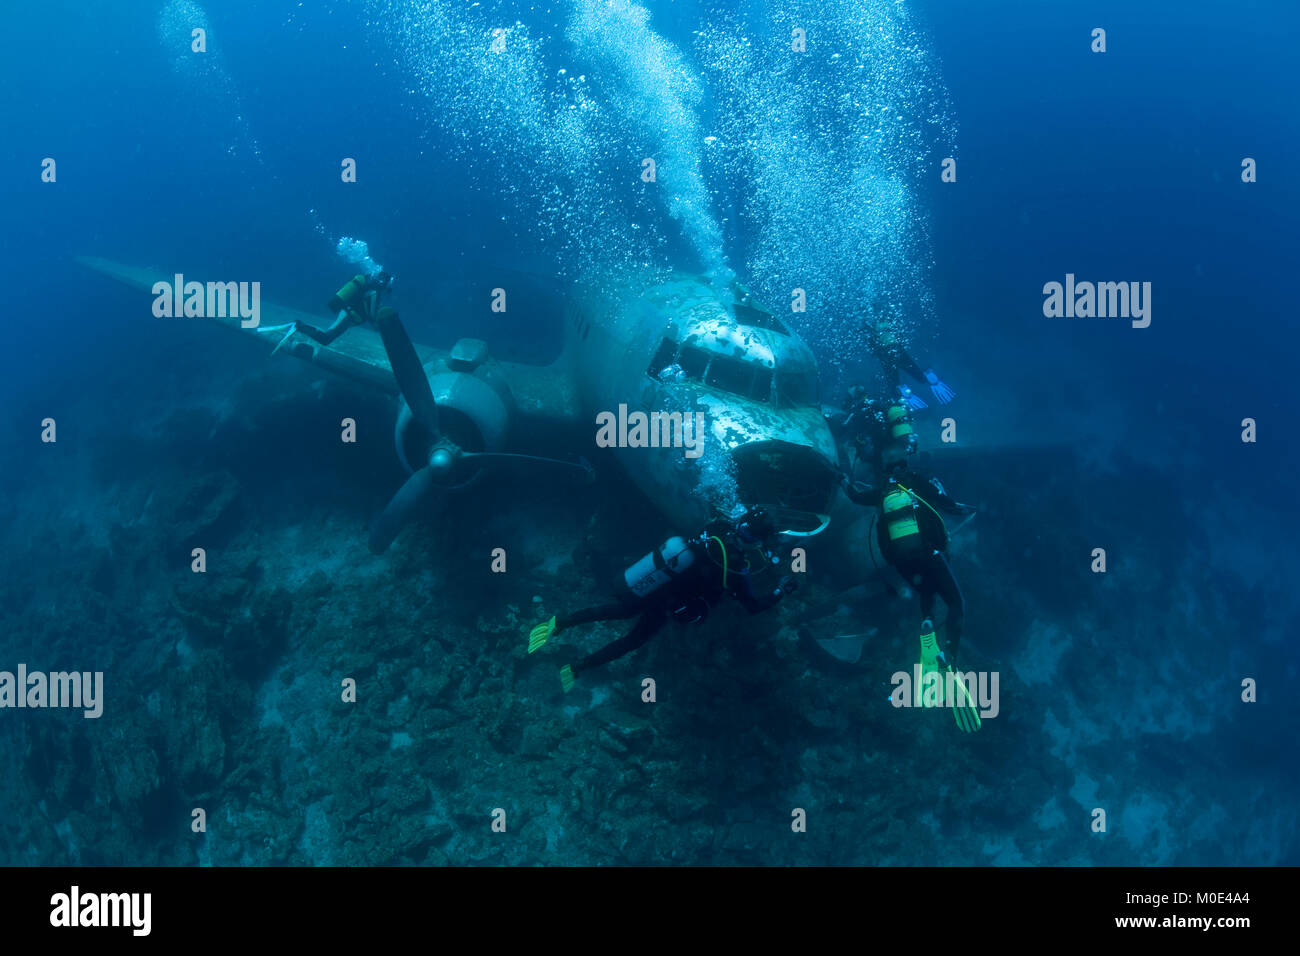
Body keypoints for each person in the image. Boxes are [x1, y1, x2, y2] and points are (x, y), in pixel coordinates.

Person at [527, 509, 798, 692]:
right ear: (756, 541)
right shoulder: (737, 568)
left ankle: (559, 621)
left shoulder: (719, 525)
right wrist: (779, 592)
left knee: (617, 612)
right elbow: (752, 607)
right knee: (632, 641)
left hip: (656, 583)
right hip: (670, 603)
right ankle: (577, 668)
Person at [258, 270, 394, 354]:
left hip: (348, 315)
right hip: (349, 316)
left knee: (327, 334)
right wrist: (378, 323)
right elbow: (371, 315)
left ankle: (300, 326)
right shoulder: (374, 292)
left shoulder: (369, 288)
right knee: (326, 338)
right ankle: (298, 326)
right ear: (385, 284)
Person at [862, 322, 956, 410]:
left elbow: (873, 350)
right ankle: (929, 376)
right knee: (919, 377)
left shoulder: (870, 330)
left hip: (886, 356)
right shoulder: (886, 321)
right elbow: (899, 334)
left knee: (894, 386)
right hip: (898, 350)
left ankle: (903, 390)